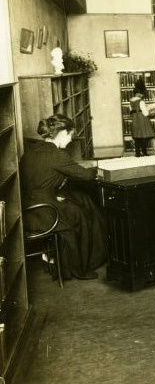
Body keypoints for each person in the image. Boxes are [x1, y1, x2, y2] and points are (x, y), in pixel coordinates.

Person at [20, 114, 107, 280]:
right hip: (43, 212)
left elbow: (38, 180)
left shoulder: (32, 149)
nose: (70, 141)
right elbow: (86, 176)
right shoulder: (57, 155)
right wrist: (97, 167)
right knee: (80, 211)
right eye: (70, 136)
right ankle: (81, 267)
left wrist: (53, 194)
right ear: (63, 133)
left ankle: (54, 258)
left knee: (81, 199)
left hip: (30, 207)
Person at [130, 78, 154, 157]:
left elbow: (131, 111)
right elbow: (146, 113)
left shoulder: (131, 101)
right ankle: (144, 152)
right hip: (142, 120)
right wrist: (151, 113)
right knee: (144, 137)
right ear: (139, 94)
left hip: (135, 120)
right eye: (143, 94)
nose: (143, 95)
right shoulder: (141, 101)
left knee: (137, 137)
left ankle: (137, 153)